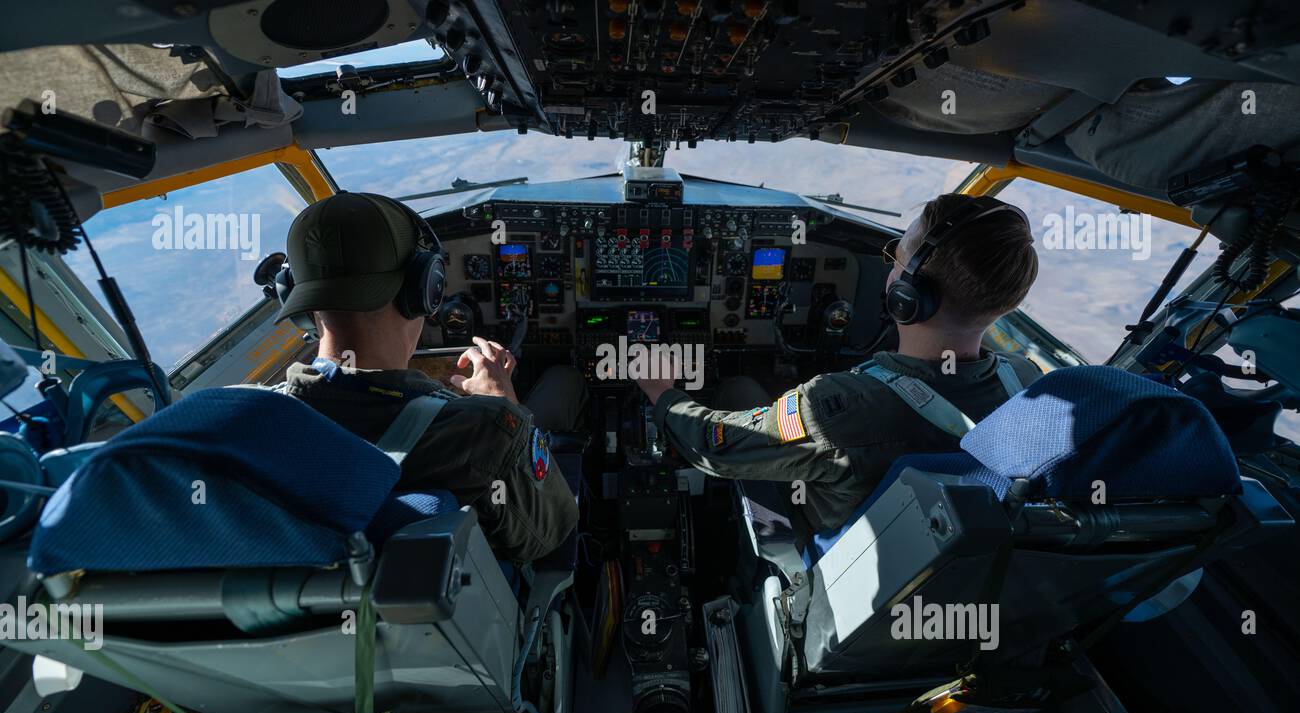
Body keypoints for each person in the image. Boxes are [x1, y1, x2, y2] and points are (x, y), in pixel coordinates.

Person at [636, 193, 1043, 538]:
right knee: (742, 389)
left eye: (896, 257)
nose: (889, 267)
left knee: (740, 391)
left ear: (907, 294)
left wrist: (663, 393)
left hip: (826, 537)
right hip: (932, 549)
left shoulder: (837, 408)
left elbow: (715, 447)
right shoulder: (1027, 383)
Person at [274, 191, 584, 562]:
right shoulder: (486, 429)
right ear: (424, 289)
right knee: (565, 379)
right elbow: (554, 528)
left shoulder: (255, 420)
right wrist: (505, 404)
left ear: (296, 300)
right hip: (478, 598)